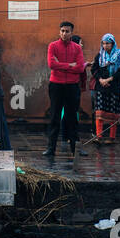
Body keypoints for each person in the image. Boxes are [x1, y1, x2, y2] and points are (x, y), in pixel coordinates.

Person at [44, 21, 85, 162]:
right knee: (55, 116)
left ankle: (75, 148)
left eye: (67, 31)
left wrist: (61, 65)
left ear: (71, 33)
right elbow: (51, 64)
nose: (64, 33)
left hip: (72, 86)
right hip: (56, 85)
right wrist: (69, 65)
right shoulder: (53, 46)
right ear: (59, 32)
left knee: (72, 117)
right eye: (62, 31)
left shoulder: (77, 48)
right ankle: (51, 148)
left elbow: (80, 68)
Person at [90, 33, 120, 144]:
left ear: (113, 44)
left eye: (108, 43)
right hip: (101, 87)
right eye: (104, 43)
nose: (105, 46)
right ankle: (99, 136)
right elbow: (94, 69)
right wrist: (101, 79)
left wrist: (109, 79)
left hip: (113, 87)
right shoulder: (100, 56)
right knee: (99, 111)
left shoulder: (119, 55)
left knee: (113, 112)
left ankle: (112, 137)